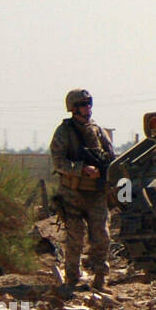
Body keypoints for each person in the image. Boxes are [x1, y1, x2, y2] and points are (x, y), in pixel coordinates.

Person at [49, 88, 115, 288]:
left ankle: (100, 277)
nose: (87, 108)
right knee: (75, 237)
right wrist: (81, 169)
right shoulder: (64, 132)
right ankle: (72, 279)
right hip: (72, 193)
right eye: (83, 105)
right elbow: (58, 162)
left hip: (95, 193)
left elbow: (111, 158)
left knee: (101, 236)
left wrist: (105, 174)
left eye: (89, 103)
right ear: (73, 108)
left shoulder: (98, 131)